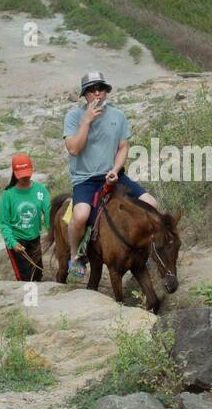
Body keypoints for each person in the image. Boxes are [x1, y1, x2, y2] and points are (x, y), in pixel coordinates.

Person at [63, 71, 159, 279]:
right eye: (91, 90)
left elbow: (123, 146)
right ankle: (75, 256)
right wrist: (86, 121)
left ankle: (149, 251)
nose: (97, 93)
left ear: (106, 91)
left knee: (151, 203)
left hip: (114, 175)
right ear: (85, 94)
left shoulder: (118, 116)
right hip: (85, 179)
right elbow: (73, 149)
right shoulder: (73, 117)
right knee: (80, 216)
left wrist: (115, 170)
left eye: (100, 88)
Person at [0, 153, 52, 282]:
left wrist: (52, 232)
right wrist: (12, 242)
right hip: (17, 242)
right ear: (15, 173)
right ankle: (29, 302)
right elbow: (4, 223)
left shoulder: (40, 190)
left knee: (38, 274)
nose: (25, 178)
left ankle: (37, 301)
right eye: (21, 175)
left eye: (27, 174)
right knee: (25, 278)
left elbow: (49, 212)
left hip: (34, 239)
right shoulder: (8, 195)